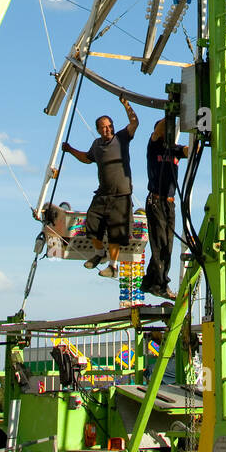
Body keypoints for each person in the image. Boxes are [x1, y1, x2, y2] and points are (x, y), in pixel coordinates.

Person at [63, 95, 139, 280]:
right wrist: (70, 149)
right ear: (98, 130)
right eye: (103, 127)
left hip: (121, 194)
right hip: (103, 194)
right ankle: (100, 253)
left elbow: (135, 123)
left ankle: (113, 267)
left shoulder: (121, 138)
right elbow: (87, 159)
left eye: (109, 126)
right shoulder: (97, 145)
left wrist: (126, 104)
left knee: (115, 233)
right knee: (92, 223)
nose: (107, 129)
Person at [140, 116, 188, 300]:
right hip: (156, 200)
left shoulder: (174, 150)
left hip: (170, 202)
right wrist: (171, 114)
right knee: (160, 242)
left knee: (167, 243)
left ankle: (151, 281)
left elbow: (188, 151)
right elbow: (158, 130)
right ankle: (160, 284)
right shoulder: (153, 147)